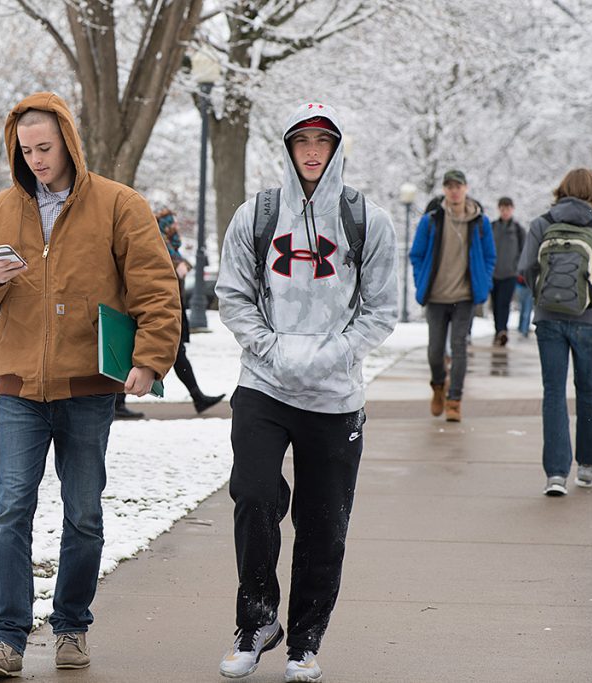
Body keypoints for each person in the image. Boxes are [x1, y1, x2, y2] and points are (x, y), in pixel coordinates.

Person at [0, 92, 180, 677]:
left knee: (83, 514)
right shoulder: (0, 211)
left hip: (88, 389)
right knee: (11, 510)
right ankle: (6, 637)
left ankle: (72, 627)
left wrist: (150, 361)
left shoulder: (118, 205)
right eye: (25, 150)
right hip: (20, 387)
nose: (36, 159)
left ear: (69, 142)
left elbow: (157, 290)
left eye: (45, 147)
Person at [215, 103, 398, 682]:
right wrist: (273, 350)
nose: (312, 150)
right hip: (264, 384)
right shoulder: (257, 215)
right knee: (254, 494)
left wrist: (329, 355)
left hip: (334, 395)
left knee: (323, 525)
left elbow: (382, 311)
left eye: (323, 141)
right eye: (302, 141)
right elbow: (233, 296)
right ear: (289, 149)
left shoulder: (370, 220)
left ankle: (305, 642)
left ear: (337, 149)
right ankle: (257, 621)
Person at [518, 168, 592, 497]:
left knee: (553, 392)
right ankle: (589, 465)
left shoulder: (541, 223)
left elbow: (525, 268)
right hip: (589, 320)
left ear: (562, 190)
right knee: (587, 390)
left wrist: (544, 297)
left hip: (548, 319)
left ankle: (555, 475)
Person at [409, 169, 496, 422]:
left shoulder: (480, 221)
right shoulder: (432, 220)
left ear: (466, 188)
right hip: (436, 296)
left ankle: (455, 400)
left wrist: (483, 282)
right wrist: (420, 281)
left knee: (459, 348)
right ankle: (438, 386)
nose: (454, 190)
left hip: (465, 297)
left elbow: (490, 256)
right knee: (435, 351)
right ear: (444, 190)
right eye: (449, 186)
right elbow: (416, 255)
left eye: (458, 186)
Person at [156, 208, 225, 413]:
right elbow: (173, 268)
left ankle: (198, 397)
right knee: (175, 352)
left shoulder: (170, 245)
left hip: (173, 305)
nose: (176, 226)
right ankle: (118, 401)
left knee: (177, 353)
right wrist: (180, 263)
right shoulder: (160, 243)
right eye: (173, 223)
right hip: (165, 307)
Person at [490, 197, 525, 346]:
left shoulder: (518, 230)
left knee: (504, 303)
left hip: (510, 274)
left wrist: (517, 268)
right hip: (493, 273)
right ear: (499, 209)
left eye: (508, 209)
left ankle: (502, 330)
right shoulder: (492, 227)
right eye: (502, 209)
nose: (505, 212)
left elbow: (524, 251)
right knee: (495, 303)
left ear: (512, 209)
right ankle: (497, 329)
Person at [515, 273, 534, 338]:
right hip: (528, 286)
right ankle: (524, 329)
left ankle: (521, 328)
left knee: (523, 308)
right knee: (527, 309)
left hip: (520, 285)